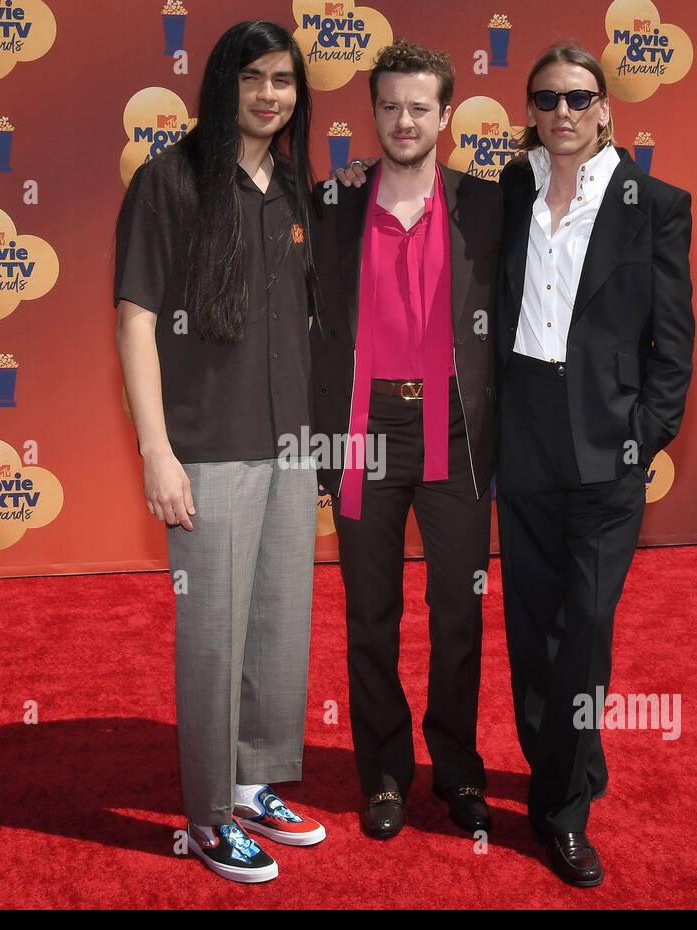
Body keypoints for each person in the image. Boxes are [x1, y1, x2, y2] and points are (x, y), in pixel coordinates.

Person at [114, 20, 326, 884]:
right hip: (207, 445)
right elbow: (134, 321)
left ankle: (251, 783)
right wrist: (156, 452)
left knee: (278, 628)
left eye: (283, 80)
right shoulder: (168, 181)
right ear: (221, 84)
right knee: (213, 636)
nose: (270, 94)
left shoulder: (293, 186)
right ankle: (204, 818)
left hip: (290, 443)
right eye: (253, 79)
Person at [494, 43, 695, 887]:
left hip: (608, 442)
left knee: (586, 622)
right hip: (523, 430)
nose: (564, 112)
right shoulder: (508, 189)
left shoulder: (658, 204)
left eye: (579, 97)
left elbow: (674, 343)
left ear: (606, 107)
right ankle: (567, 761)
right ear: (532, 111)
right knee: (532, 621)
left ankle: (563, 811)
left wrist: (641, 436)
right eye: (547, 99)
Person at [311, 40, 502, 839]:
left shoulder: (489, 204)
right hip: (362, 430)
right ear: (373, 113)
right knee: (371, 611)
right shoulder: (329, 205)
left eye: (420, 106)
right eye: (389, 105)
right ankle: (384, 773)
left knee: (459, 610)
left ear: (447, 115)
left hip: (455, 429)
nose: (404, 120)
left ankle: (456, 771)